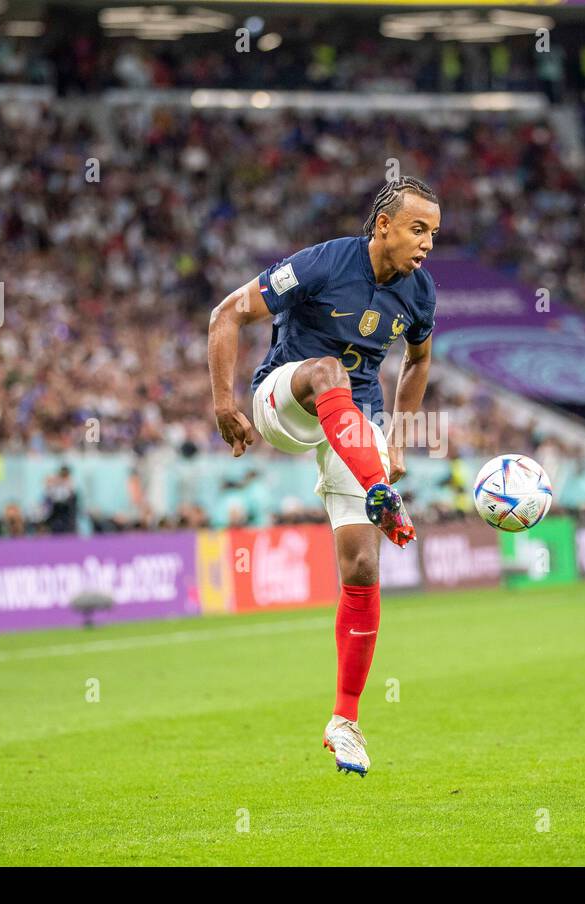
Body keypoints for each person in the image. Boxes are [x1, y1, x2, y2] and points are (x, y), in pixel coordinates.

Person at [208, 177, 439, 776]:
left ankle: (345, 721)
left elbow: (417, 360)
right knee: (328, 369)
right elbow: (226, 314)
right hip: (284, 398)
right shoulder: (323, 263)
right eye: (419, 230)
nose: (427, 245)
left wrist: (402, 436)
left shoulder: (421, 295)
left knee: (362, 566)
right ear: (383, 225)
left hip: (355, 428)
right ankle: (381, 490)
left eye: (434, 234)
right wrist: (221, 403)